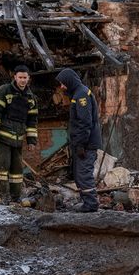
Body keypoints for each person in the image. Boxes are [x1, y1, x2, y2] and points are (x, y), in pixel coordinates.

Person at [0, 65, 38, 203]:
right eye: (20, 77)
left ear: (29, 78)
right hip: (2, 137)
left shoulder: (30, 97)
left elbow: (32, 121)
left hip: (18, 139)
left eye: (25, 78)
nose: (22, 80)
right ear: (14, 77)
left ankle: (16, 196)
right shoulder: (3, 91)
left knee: (17, 170)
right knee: (1, 166)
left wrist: (32, 141)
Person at [57, 68, 102, 212]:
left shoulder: (81, 95)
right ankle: (87, 202)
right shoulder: (77, 94)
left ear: (69, 81)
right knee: (79, 174)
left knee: (84, 174)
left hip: (87, 144)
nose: (62, 87)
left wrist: (81, 144)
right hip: (82, 143)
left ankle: (91, 205)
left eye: (63, 83)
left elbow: (84, 122)